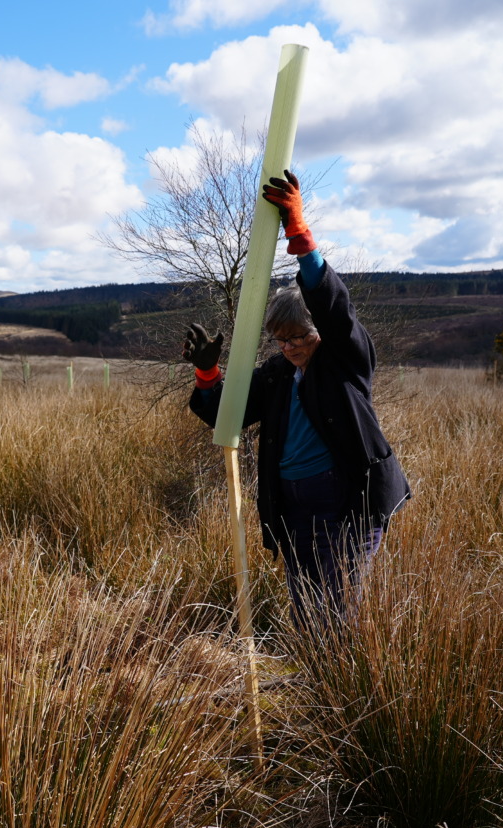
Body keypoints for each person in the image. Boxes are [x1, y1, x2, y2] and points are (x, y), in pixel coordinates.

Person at [183, 171, 410, 635]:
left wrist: (299, 235)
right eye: (280, 340)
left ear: (319, 333)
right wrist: (208, 373)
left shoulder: (345, 359)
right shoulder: (279, 373)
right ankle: (311, 683)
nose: (290, 347)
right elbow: (226, 413)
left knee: (336, 605)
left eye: (299, 337)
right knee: (305, 603)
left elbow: (334, 307)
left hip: (348, 502)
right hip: (293, 506)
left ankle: (338, 692)